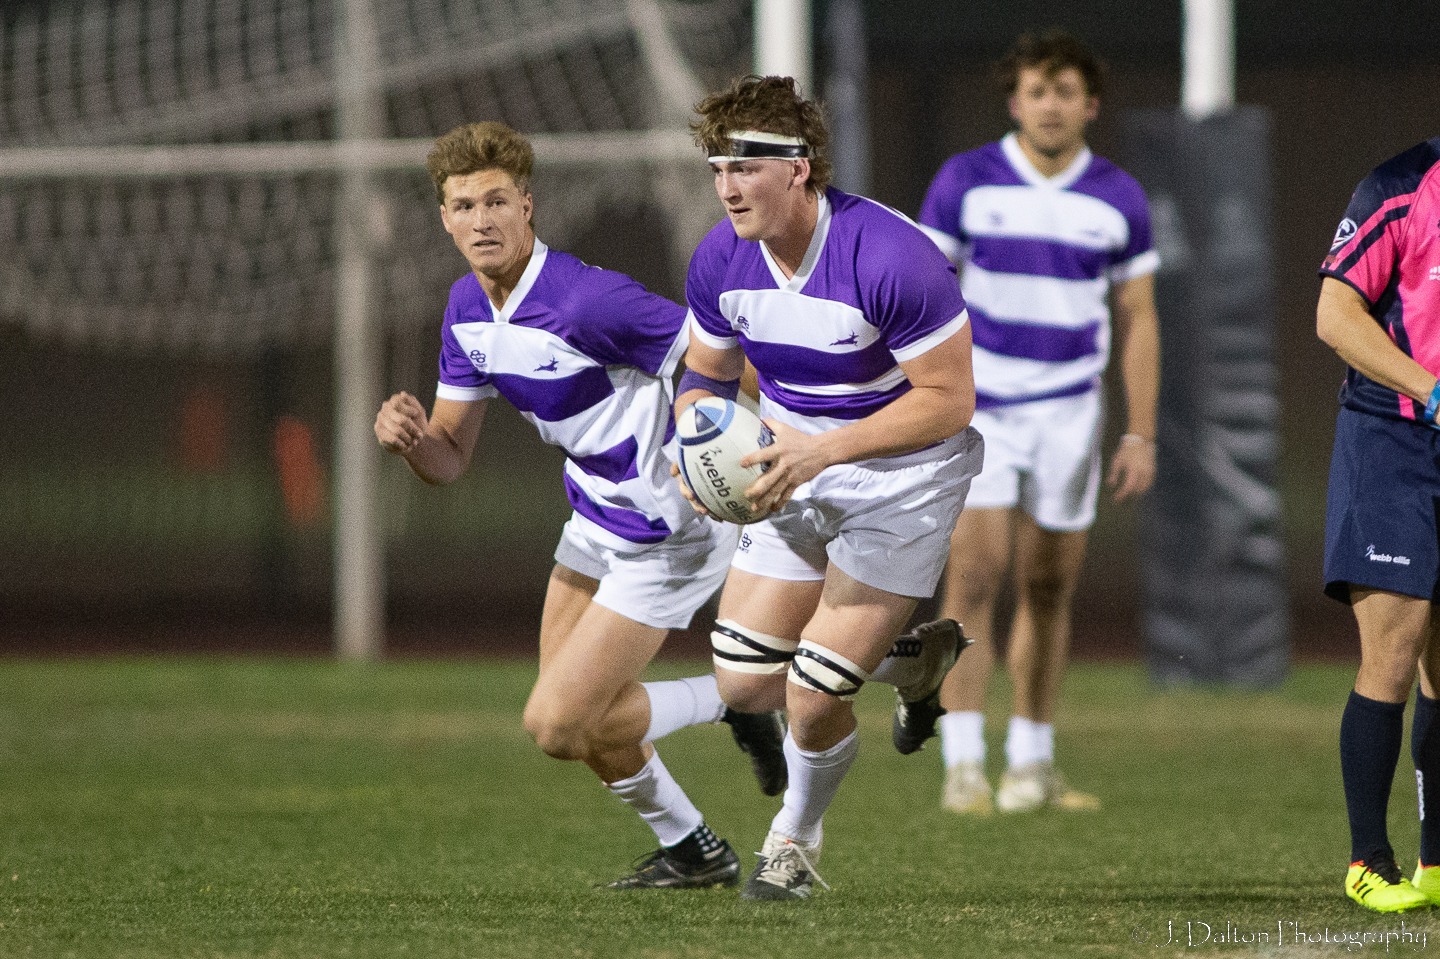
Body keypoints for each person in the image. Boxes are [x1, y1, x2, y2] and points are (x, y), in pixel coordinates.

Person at [374, 121, 788, 890]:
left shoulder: (590, 301)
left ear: (528, 208)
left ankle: (739, 697)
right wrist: (410, 442)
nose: (482, 219)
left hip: (670, 530)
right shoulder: (466, 310)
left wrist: (798, 437)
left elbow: (721, 358)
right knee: (581, 721)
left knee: (558, 721)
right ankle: (694, 849)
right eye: (464, 205)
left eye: (497, 201)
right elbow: (450, 456)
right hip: (595, 522)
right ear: (444, 218)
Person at [677, 75, 985, 901]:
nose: (728, 186)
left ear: (801, 167)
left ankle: (794, 843)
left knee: (812, 696)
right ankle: (913, 665)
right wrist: (697, 448)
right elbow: (702, 374)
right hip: (790, 462)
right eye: (717, 167)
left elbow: (951, 401)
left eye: (746, 166)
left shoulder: (889, 256)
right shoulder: (720, 258)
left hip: (903, 476)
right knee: (745, 683)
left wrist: (824, 452)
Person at [914, 31, 1160, 816]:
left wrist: (1140, 432)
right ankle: (961, 762)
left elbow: (1140, 317)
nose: (1050, 105)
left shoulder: (1117, 196)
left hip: (1070, 410)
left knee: (1049, 584)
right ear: (1015, 101)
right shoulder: (966, 180)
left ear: (1089, 105)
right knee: (976, 574)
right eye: (1036, 91)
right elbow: (922, 293)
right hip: (982, 407)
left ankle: (1031, 760)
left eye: (1065, 92)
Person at [1316, 134, 1440, 913]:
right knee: (1393, 652)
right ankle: (1370, 857)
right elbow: (1335, 314)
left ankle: (1436, 861)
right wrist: (1432, 393)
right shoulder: (1401, 185)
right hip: (1393, 439)